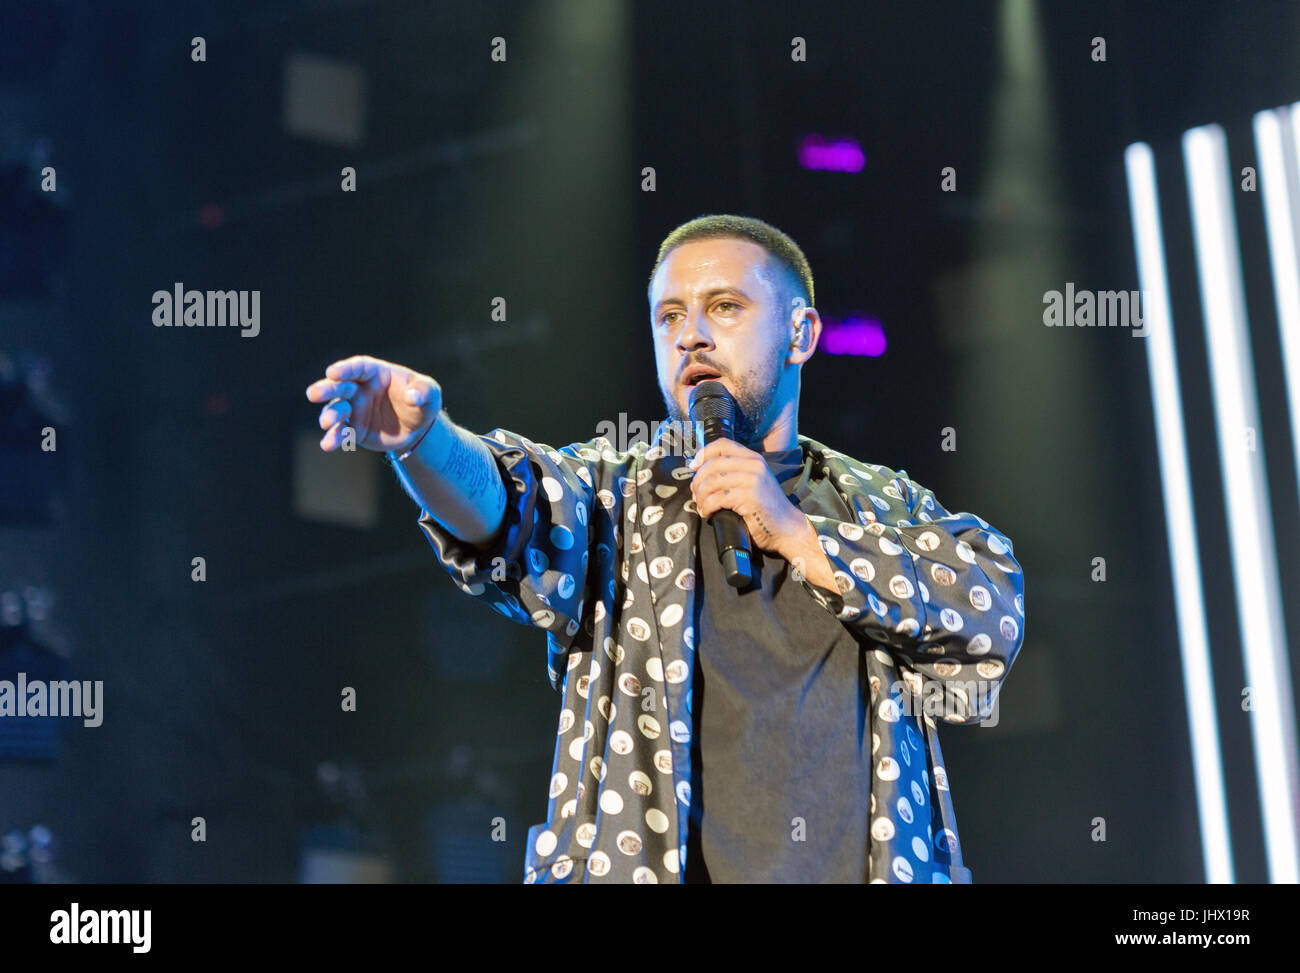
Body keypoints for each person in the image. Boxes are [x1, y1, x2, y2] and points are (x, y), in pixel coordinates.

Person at [304, 214, 1025, 883]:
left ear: (801, 333)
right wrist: (425, 442)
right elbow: (509, 503)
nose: (692, 336)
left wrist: (798, 534)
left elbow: (991, 612)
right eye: (671, 316)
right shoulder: (618, 492)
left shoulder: (877, 503)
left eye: (725, 307)